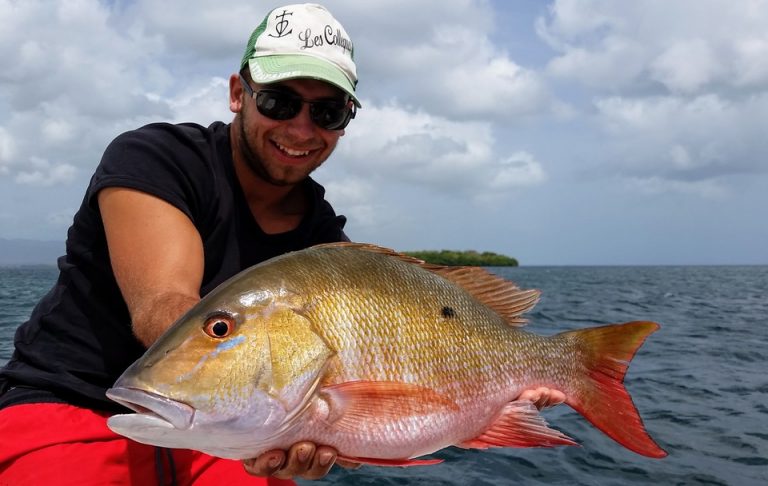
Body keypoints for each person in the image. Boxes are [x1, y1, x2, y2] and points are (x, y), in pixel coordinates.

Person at [0, 3, 564, 485]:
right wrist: (237, 362)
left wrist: (499, 393)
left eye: (327, 111)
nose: (300, 128)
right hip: (69, 408)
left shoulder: (324, 240)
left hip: (237, 438)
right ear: (237, 94)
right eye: (278, 101)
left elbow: (380, 398)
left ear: (346, 121)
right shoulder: (156, 159)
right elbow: (165, 303)